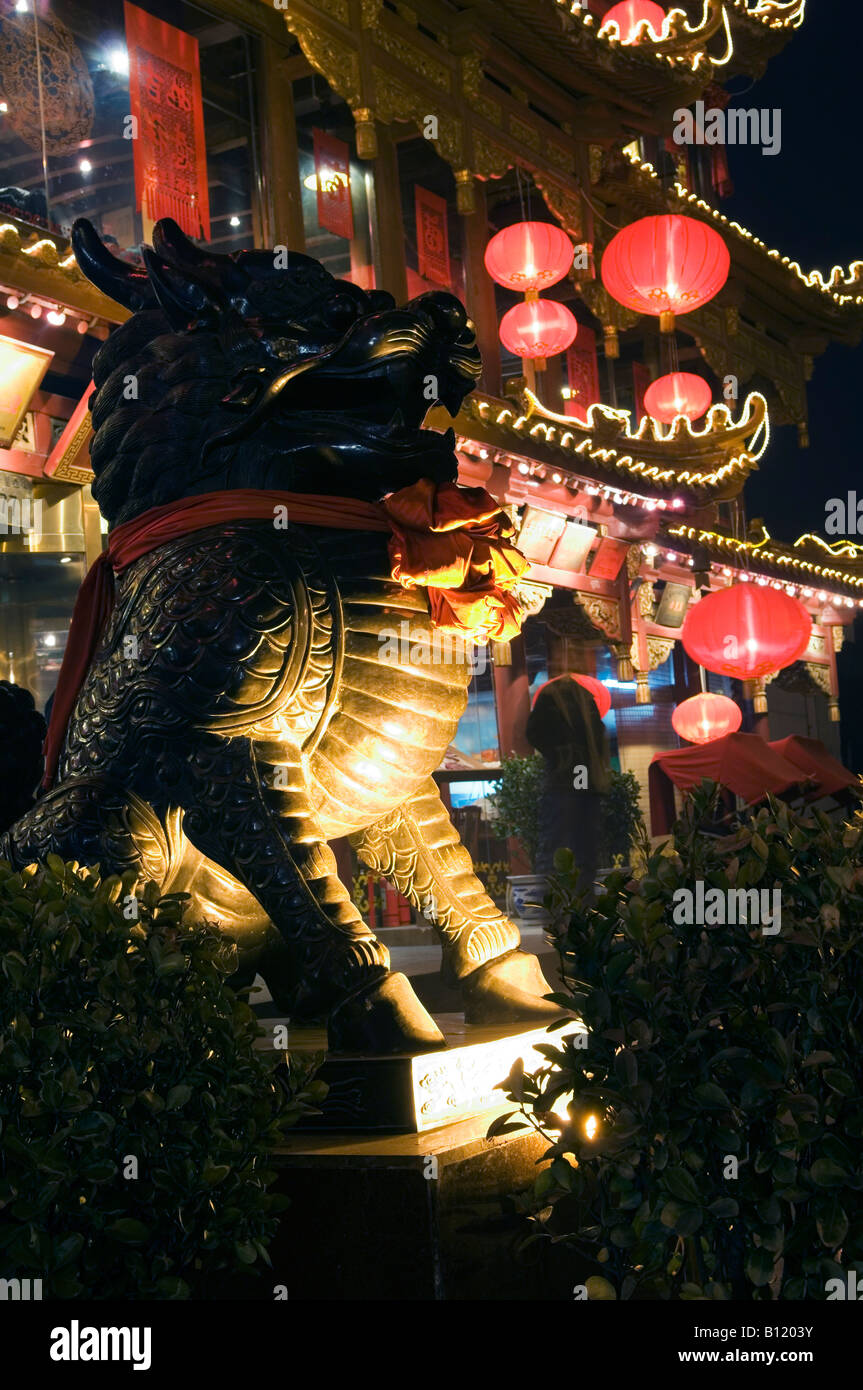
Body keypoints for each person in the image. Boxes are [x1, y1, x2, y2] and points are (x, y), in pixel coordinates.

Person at [525, 673, 611, 899]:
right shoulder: (561, 695)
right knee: (573, 842)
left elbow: (535, 732)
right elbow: (536, 732)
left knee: (575, 842)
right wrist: (563, 755)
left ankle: (574, 905)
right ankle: (570, 905)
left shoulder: (577, 696)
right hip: (575, 778)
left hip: (576, 778)